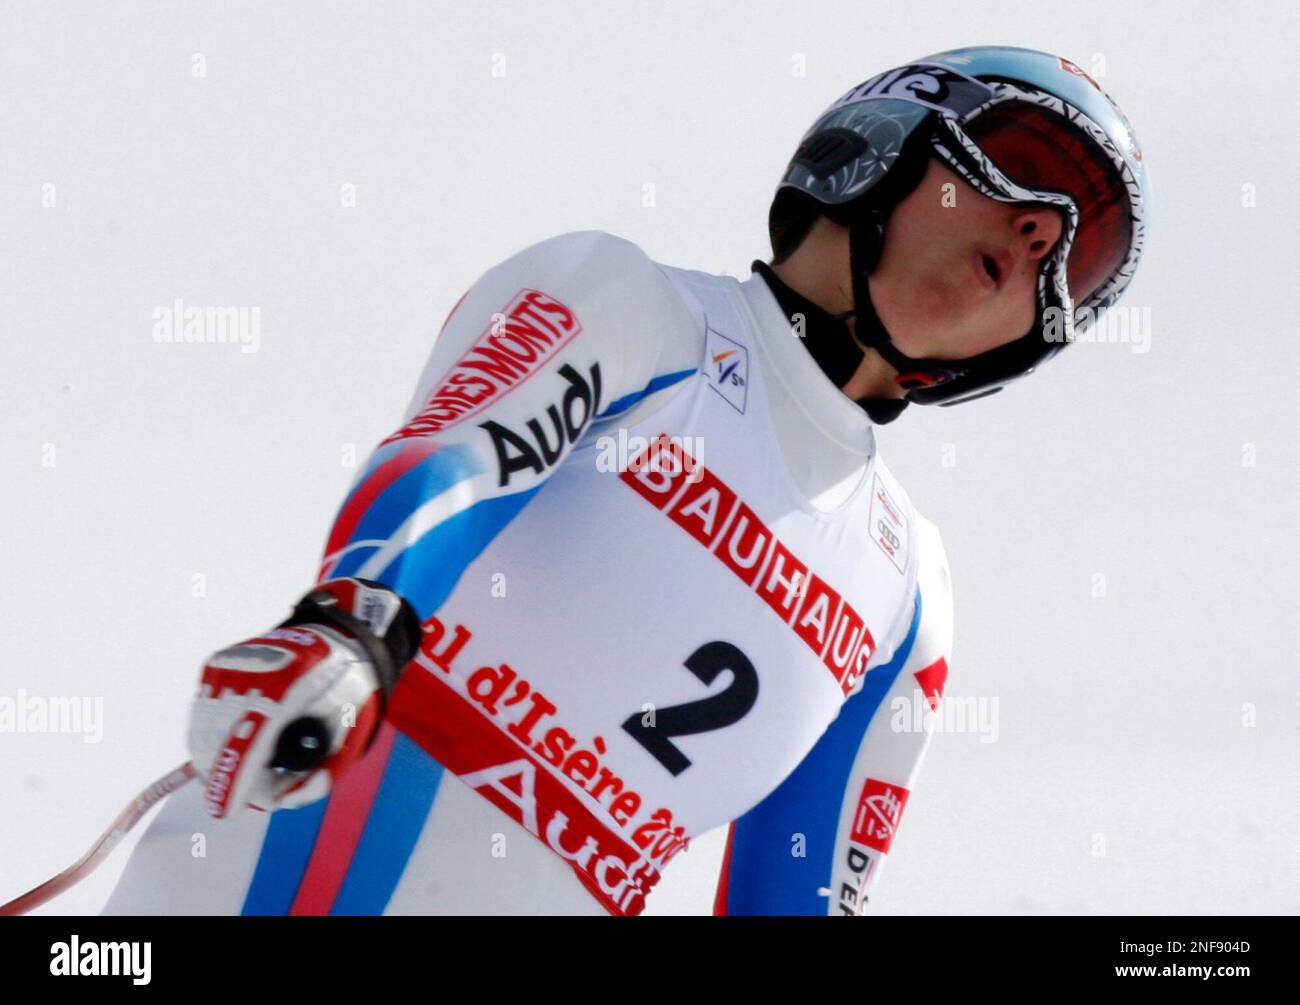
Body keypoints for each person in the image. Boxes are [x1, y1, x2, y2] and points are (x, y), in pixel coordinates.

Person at [102, 45, 1148, 916]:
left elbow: (797, 897)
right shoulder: (637, 307)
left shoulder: (911, 591)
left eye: (1085, 254)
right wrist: (349, 626)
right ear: (880, 147)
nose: (1043, 228)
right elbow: (460, 457)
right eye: (1024, 166)